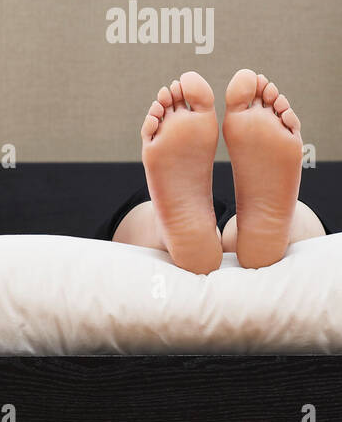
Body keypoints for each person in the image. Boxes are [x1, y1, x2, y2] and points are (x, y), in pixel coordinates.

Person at [101, 69, 328, 273]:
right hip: (283, 205)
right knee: (299, 211)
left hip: (158, 204)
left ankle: (161, 230)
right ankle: (285, 230)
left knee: (143, 209)